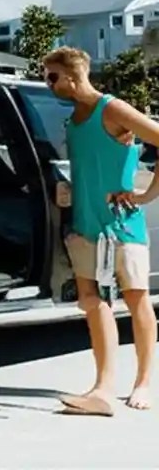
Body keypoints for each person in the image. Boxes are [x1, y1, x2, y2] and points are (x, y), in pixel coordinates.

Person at [42, 46, 155, 415]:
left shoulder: (113, 109)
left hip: (122, 225)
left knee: (137, 298)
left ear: (73, 77)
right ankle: (103, 388)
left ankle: (144, 381)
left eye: (52, 77)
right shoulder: (72, 120)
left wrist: (145, 195)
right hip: (86, 226)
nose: (48, 84)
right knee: (93, 302)